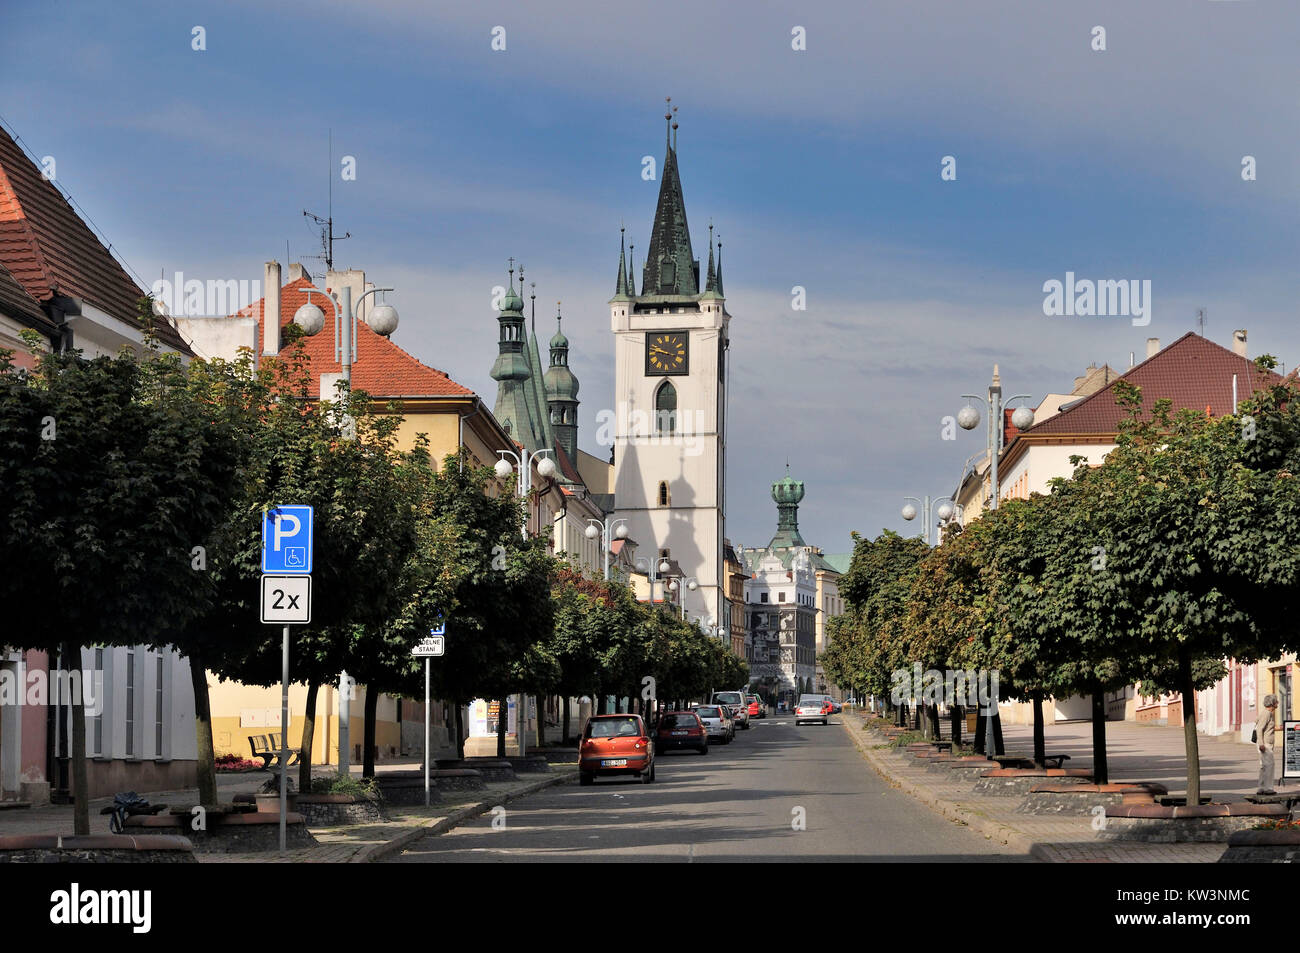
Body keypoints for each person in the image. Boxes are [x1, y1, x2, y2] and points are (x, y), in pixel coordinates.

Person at [1255, 694, 1278, 796]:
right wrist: (1261, 744)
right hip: (1265, 744)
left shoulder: (1266, 713)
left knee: (1263, 766)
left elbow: (1256, 722)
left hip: (1265, 743)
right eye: (1276, 701)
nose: (1278, 703)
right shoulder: (1267, 714)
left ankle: (1261, 788)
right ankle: (1268, 789)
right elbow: (1259, 728)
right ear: (1272, 703)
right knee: (1269, 766)